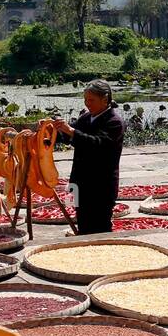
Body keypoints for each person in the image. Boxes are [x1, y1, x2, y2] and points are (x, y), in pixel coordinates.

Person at [53, 80, 125, 234]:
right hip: (80, 183)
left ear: (105, 100)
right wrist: (49, 132)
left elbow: (97, 144)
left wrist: (71, 131)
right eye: (85, 100)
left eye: (91, 100)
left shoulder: (114, 122)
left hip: (101, 185)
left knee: (99, 226)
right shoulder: (86, 118)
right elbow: (67, 137)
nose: (87, 104)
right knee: (83, 223)